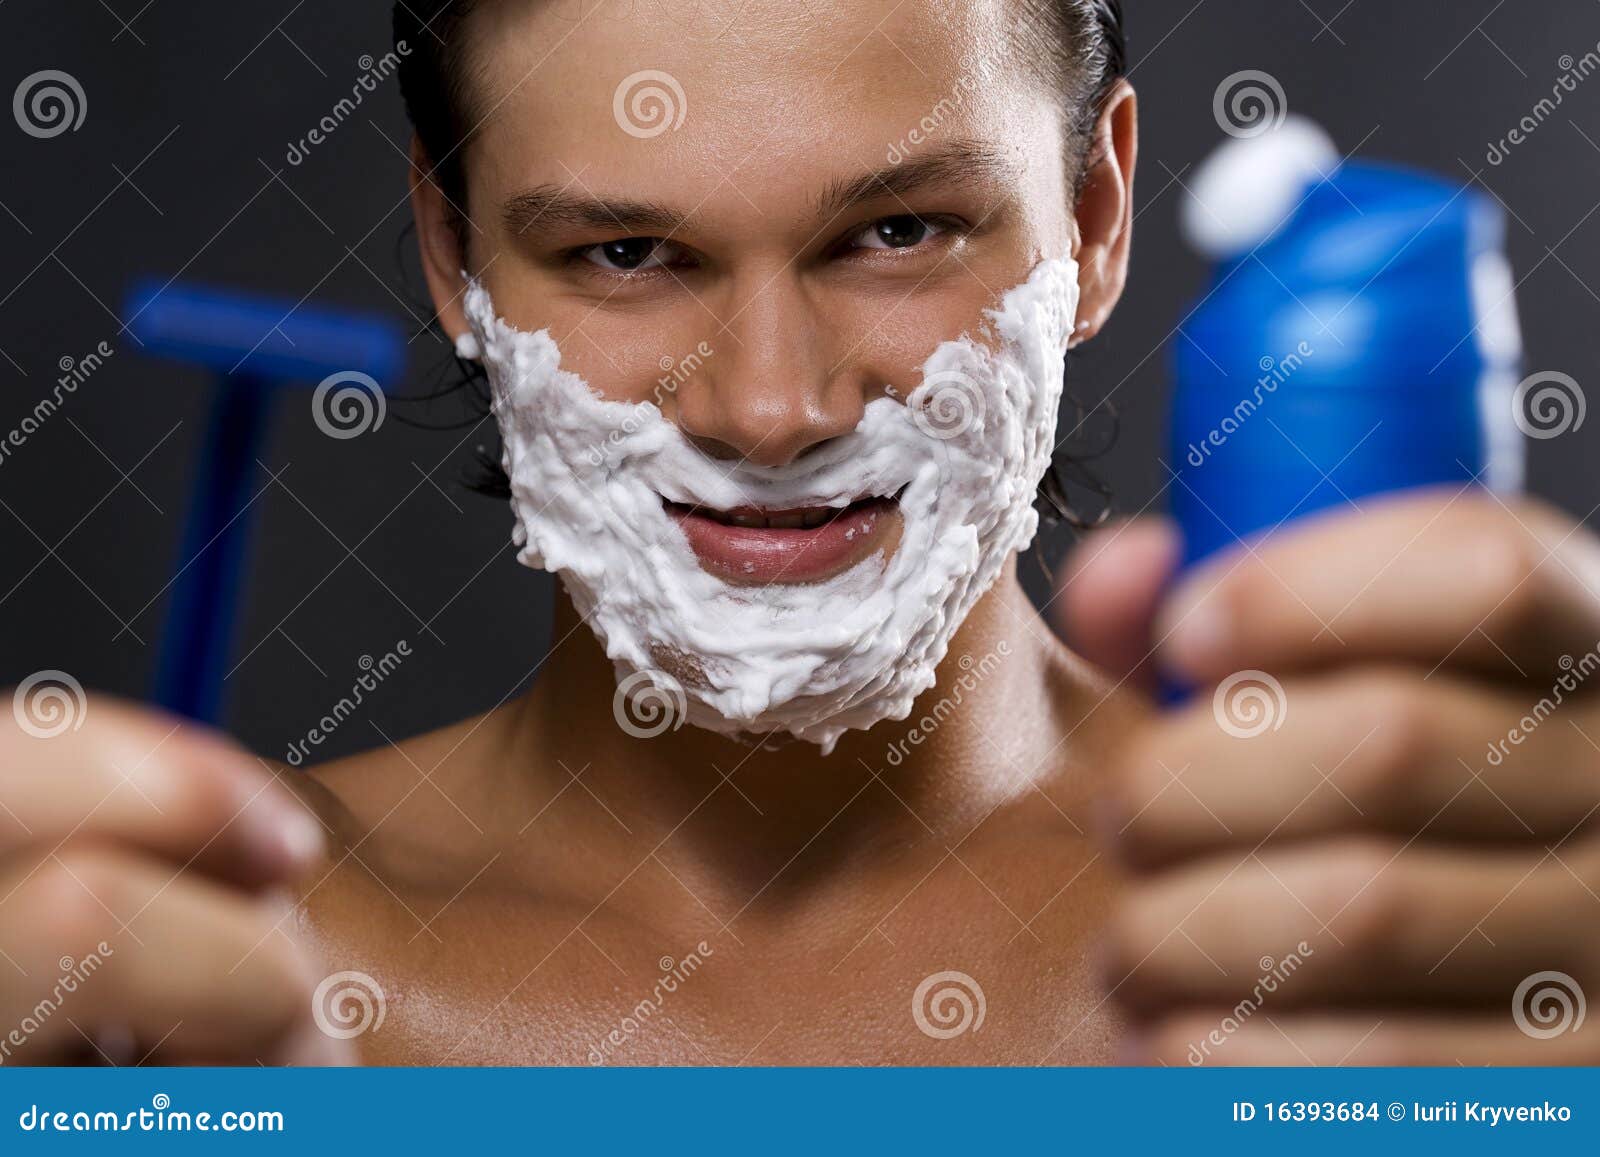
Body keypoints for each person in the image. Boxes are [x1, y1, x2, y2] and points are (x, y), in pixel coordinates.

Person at [2, 0, 1597, 1067]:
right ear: (452, 253)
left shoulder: (1389, 934)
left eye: (897, 232)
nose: (771, 409)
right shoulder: (167, 973)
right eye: (629, 252)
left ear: (1095, 223)